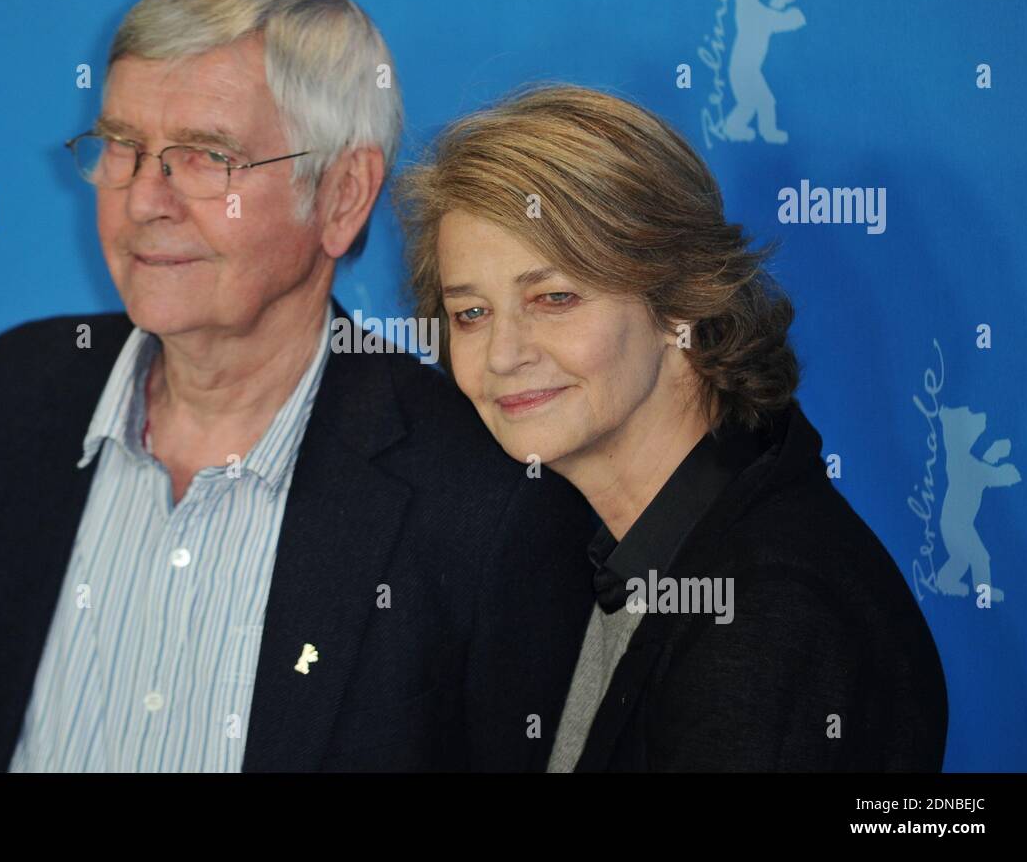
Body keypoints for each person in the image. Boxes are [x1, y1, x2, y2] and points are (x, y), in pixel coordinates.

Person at [0, 0, 596, 772]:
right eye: (121, 146)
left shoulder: (477, 496)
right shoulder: (6, 402)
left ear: (343, 195)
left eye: (207, 158)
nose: (145, 199)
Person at [395, 83, 949, 770]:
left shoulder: (769, 614)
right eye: (470, 314)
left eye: (555, 298)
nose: (504, 355)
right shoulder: (587, 552)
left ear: (679, 299)